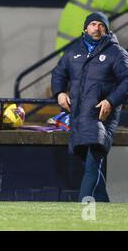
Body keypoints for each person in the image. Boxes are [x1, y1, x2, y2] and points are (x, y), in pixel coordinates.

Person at [51, 12, 128, 202]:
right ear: (86, 28)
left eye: (101, 25)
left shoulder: (116, 52)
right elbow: (58, 73)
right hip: (79, 115)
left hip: (102, 117)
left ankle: (83, 210)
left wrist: (111, 101)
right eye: (93, 24)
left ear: (107, 29)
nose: (97, 27)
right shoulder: (73, 51)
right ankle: (104, 204)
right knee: (90, 164)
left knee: (92, 164)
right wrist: (60, 92)